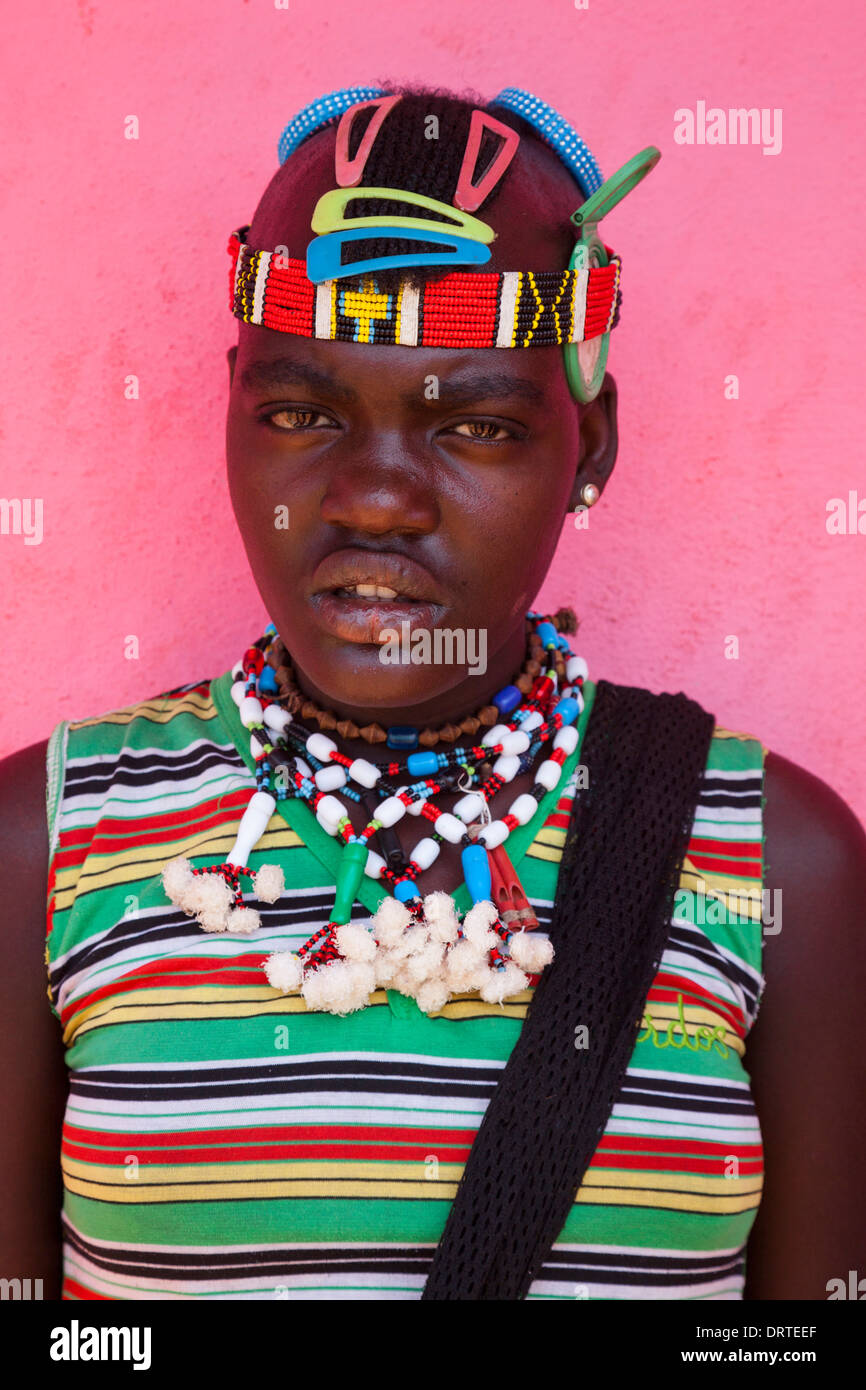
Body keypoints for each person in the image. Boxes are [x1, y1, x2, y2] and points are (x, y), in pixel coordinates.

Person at [1, 81, 864, 1302]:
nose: (373, 499)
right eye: (301, 411)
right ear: (228, 418)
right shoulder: (45, 843)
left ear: (591, 448)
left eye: (473, 429)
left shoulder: (781, 868)